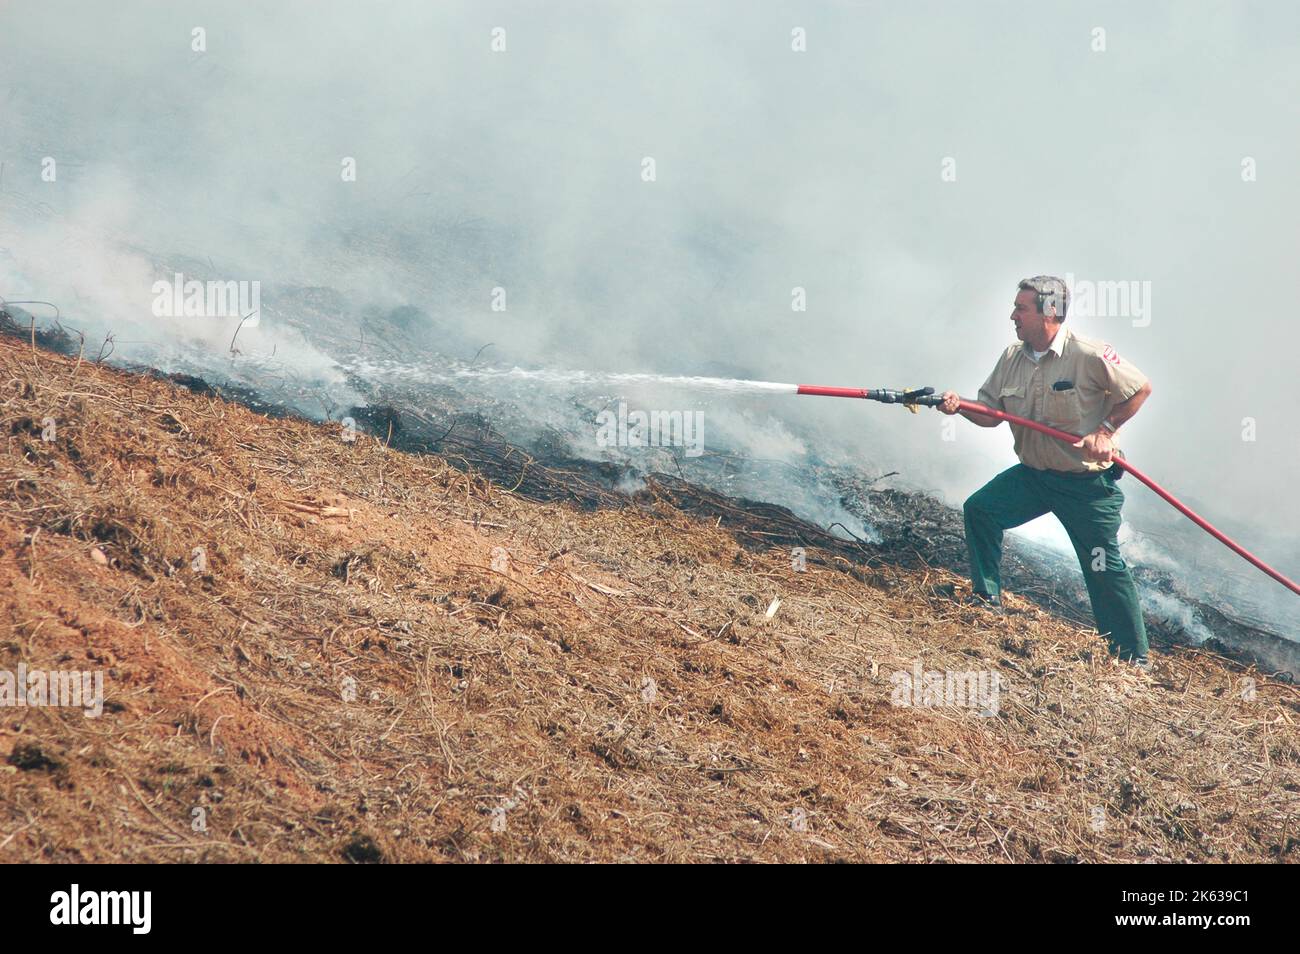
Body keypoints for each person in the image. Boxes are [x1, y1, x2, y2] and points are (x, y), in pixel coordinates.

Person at [938, 276, 1154, 668]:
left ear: (1048, 313)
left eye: (1021, 308)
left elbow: (1139, 388)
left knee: (1103, 564)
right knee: (981, 510)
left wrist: (1105, 430)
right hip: (1034, 477)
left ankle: (1132, 658)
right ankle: (986, 601)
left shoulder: (1089, 354)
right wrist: (958, 405)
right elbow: (990, 415)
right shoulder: (1011, 357)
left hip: (1085, 485)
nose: (1012, 316)